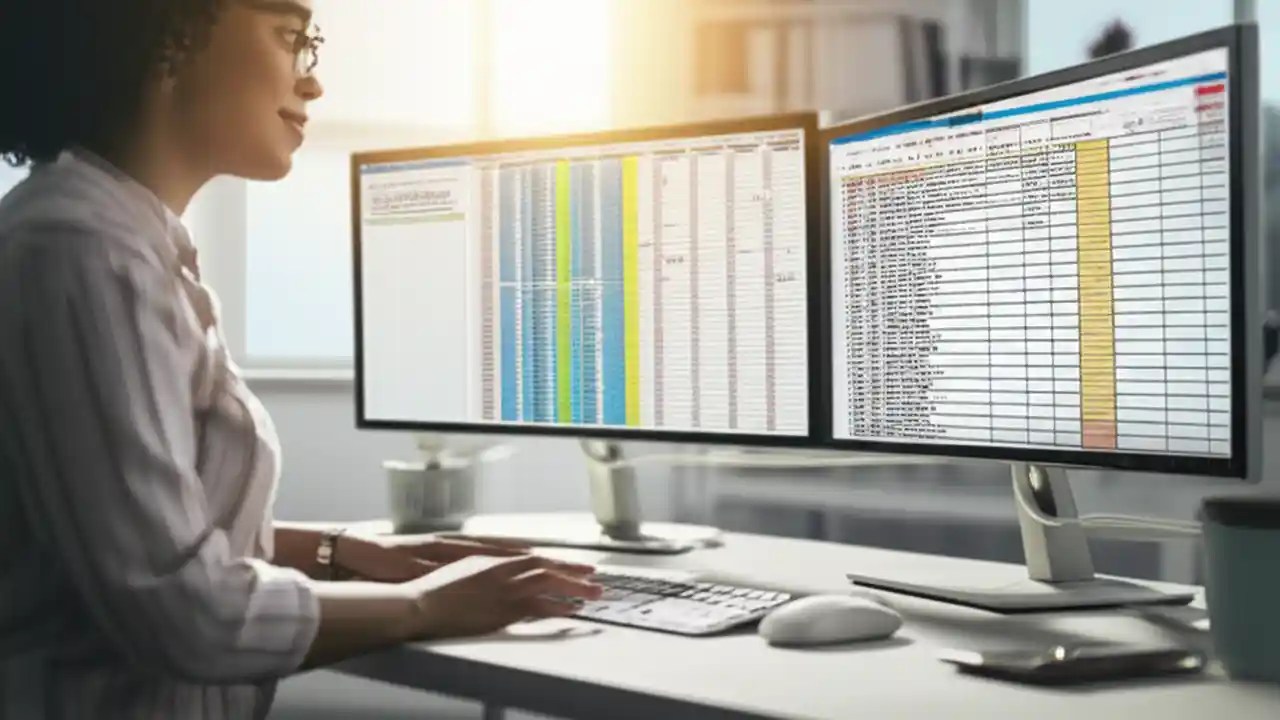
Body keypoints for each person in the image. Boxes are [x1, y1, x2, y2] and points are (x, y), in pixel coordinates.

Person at [0, 1, 602, 718]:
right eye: (290, 39)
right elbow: (178, 610)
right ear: (175, 36)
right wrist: (423, 604)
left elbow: (123, 528)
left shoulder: (121, 244)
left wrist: (337, 551)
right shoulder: (84, 254)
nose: (312, 83)